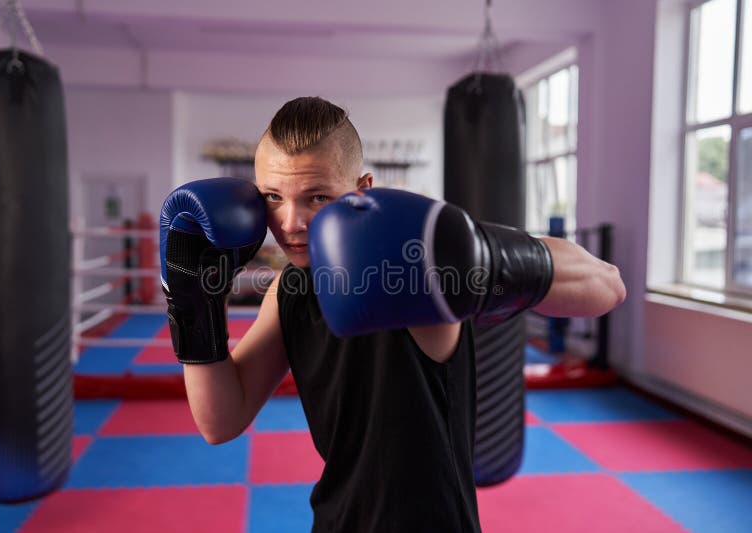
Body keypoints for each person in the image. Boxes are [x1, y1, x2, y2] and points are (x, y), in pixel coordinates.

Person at [159, 96, 626, 532]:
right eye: (273, 197)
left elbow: (607, 284)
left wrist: (475, 257)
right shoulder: (289, 292)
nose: (291, 223)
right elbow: (220, 421)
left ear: (363, 189)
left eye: (317, 196)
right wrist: (193, 303)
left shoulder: (412, 269)